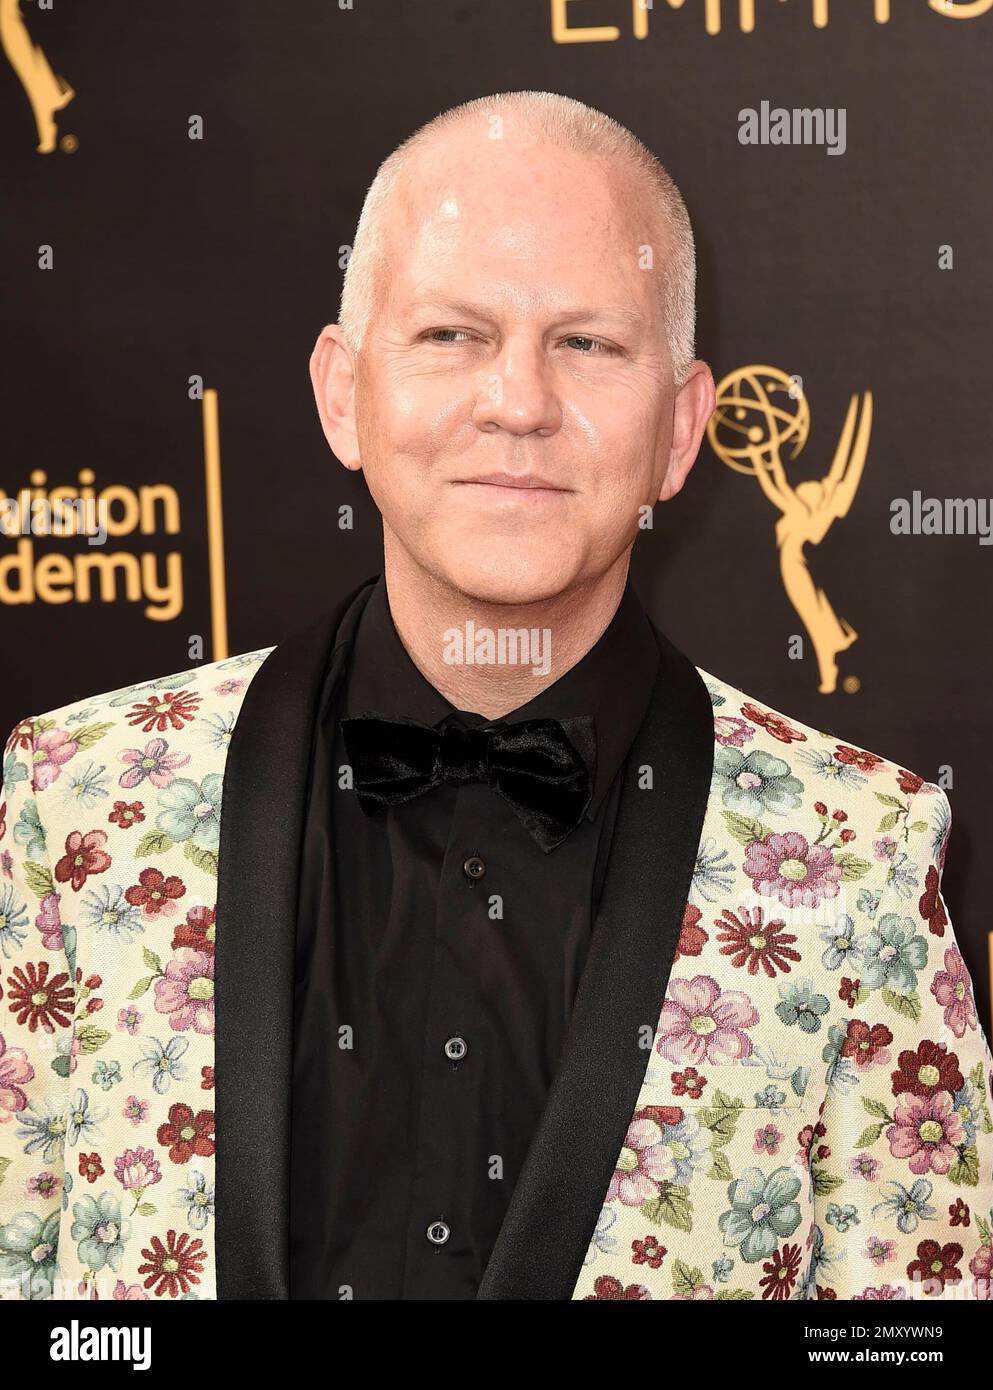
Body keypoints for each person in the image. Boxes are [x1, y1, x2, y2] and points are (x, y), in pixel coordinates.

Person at [1, 90, 990, 1303]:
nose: (517, 402)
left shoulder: (858, 860)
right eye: (452, 335)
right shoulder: (80, 802)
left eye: (587, 343)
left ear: (682, 431)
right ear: (340, 395)